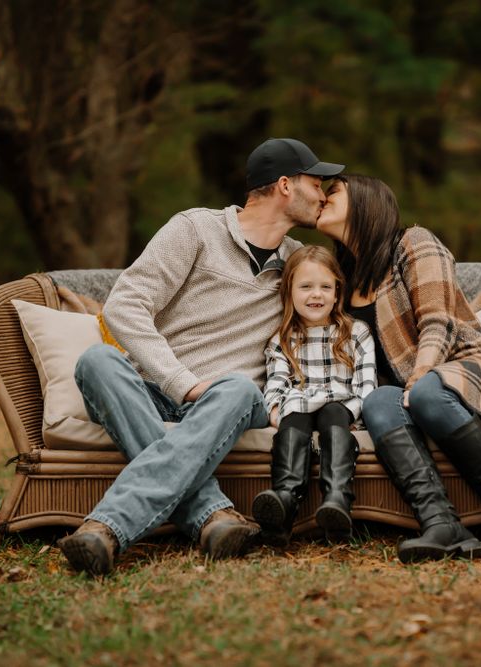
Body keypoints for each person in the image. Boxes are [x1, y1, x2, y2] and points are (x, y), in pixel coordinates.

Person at [57, 138, 344, 576]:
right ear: (286, 185)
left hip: (231, 400)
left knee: (237, 386)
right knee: (96, 363)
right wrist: (182, 382)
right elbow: (123, 306)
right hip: (156, 390)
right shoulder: (195, 230)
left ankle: (106, 529)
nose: (323, 193)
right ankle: (211, 514)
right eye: (316, 182)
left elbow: (324, 328)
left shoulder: (296, 266)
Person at [314, 174, 481, 562]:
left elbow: (439, 321)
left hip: (468, 367)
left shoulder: (413, 243)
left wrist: (422, 370)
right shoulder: (344, 274)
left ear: (366, 202)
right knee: (377, 403)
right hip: (408, 392)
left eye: (333, 190)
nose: (322, 197)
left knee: (425, 392)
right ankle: (441, 523)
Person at [252, 245, 376, 545]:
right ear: (289, 293)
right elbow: (276, 385)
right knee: (293, 417)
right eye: (306, 287)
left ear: (337, 292)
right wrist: (273, 410)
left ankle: (336, 498)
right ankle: (285, 498)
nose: (316, 295)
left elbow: (366, 385)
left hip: (341, 405)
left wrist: (360, 413)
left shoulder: (355, 332)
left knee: (332, 412)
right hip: (300, 406)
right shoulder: (282, 339)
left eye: (325, 287)